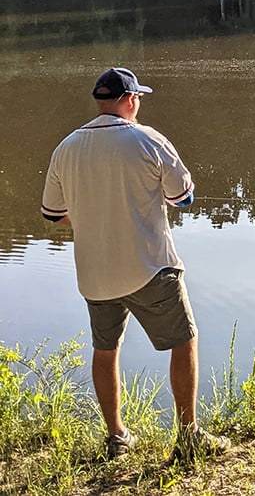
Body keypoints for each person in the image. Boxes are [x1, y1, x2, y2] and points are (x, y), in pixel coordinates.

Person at [41, 66, 228, 461]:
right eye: (138, 97)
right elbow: (183, 198)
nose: (139, 103)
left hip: (94, 275)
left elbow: (54, 214)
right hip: (150, 268)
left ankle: (116, 438)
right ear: (129, 100)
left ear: (99, 102)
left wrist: (93, 214)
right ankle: (188, 435)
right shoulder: (148, 140)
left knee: (105, 349)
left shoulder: (66, 147)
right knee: (184, 339)